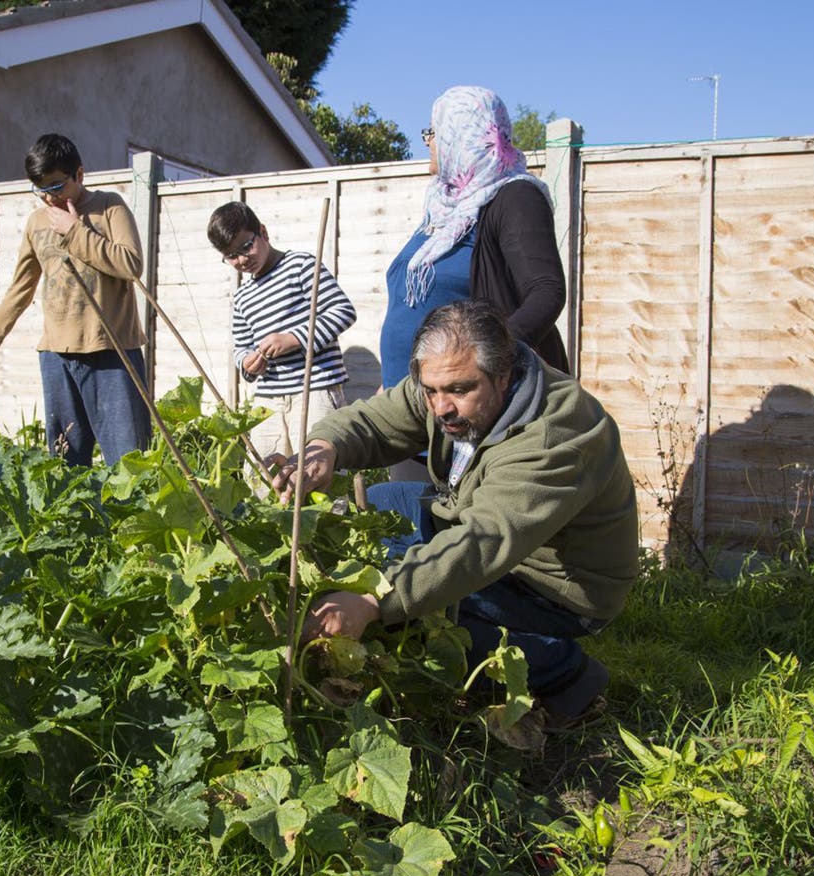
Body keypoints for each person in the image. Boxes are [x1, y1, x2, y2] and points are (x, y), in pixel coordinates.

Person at [272, 302, 639, 726]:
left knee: (424, 613)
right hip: (481, 529)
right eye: (430, 391)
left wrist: (372, 601)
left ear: (503, 376)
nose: (440, 407)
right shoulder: (446, 381)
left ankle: (563, 671)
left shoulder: (554, 436)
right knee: (381, 503)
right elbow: (374, 421)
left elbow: (479, 545)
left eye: (459, 391)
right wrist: (325, 448)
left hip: (553, 589)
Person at [382, 86, 568, 480]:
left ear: (461, 133)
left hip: (470, 414)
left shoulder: (514, 196)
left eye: (433, 132)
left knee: (464, 517)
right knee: (407, 514)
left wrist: (486, 362)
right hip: (415, 412)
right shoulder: (445, 210)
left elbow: (546, 291)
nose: (428, 142)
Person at [0, 133, 150, 466]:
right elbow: (19, 290)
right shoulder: (37, 222)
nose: (49, 198)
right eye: (40, 189)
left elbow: (131, 265)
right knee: (65, 464)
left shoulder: (110, 207)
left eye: (56, 187)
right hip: (56, 356)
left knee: (131, 460)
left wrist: (75, 231)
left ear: (79, 175)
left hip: (112, 352)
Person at [207, 201, 357, 460]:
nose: (241, 260)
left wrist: (294, 338)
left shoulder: (300, 266)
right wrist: (248, 362)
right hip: (269, 400)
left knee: (316, 468)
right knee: (264, 472)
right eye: (231, 256)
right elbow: (241, 347)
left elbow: (342, 311)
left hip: (315, 390)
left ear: (263, 232)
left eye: (246, 247)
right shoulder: (242, 297)